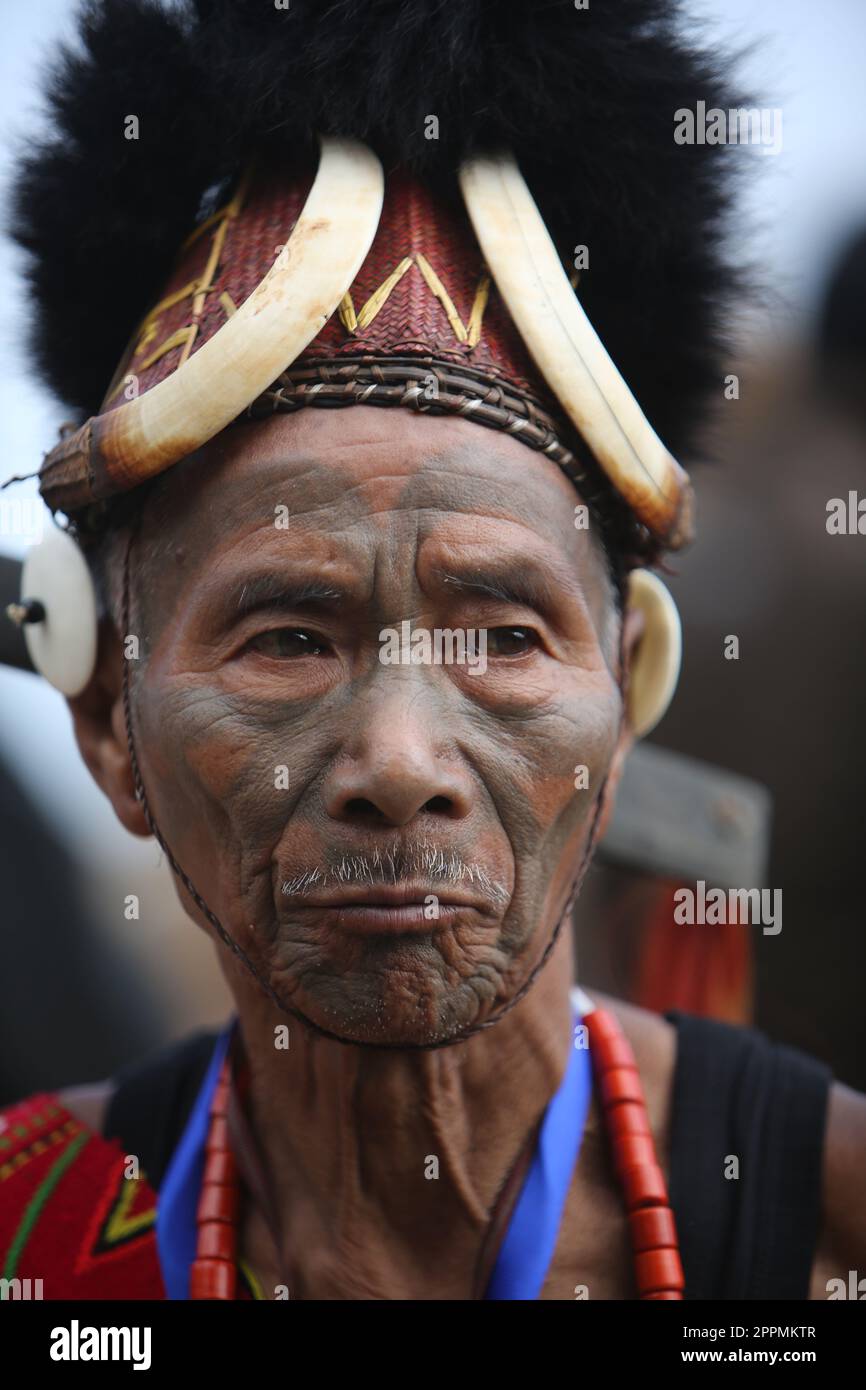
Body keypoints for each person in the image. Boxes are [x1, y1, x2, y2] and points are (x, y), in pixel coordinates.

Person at [1, 0, 863, 1301]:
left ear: (626, 698)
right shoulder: (38, 1237)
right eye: (287, 637)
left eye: (504, 636)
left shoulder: (826, 1226)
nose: (399, 763)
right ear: (111, 720)